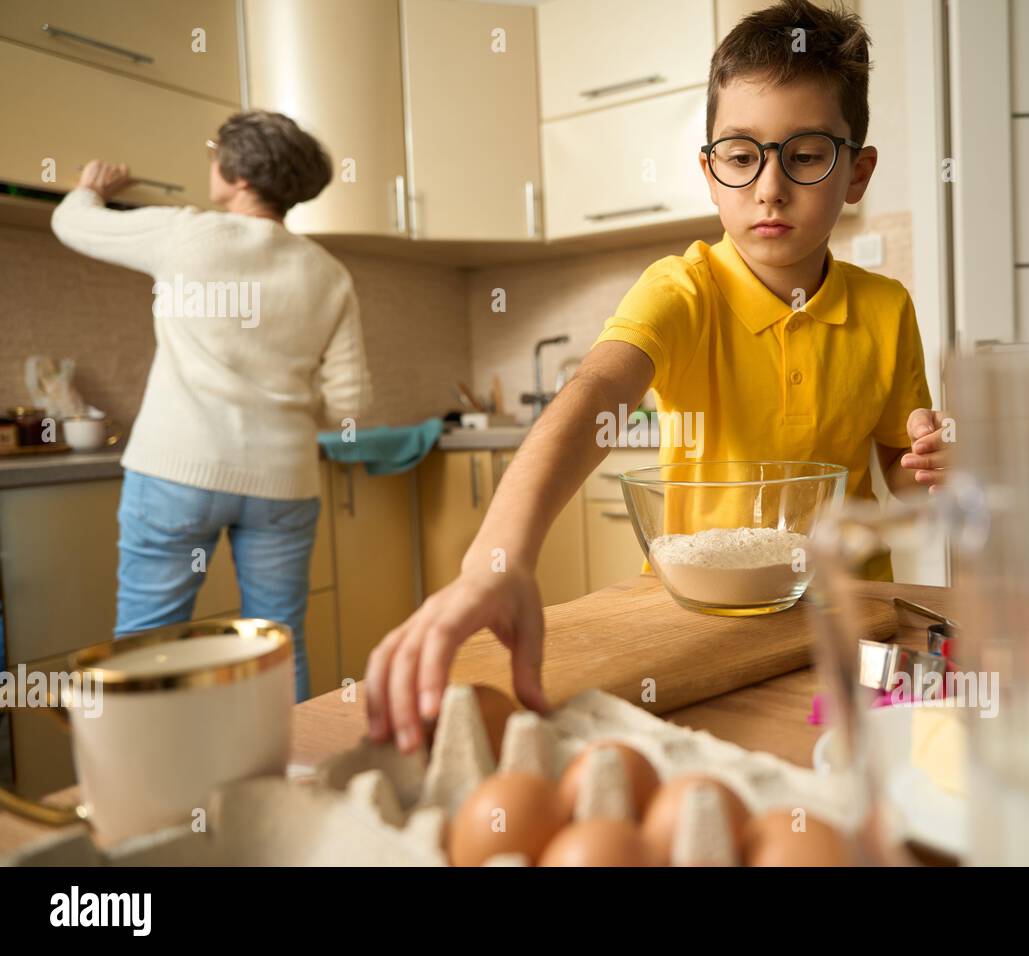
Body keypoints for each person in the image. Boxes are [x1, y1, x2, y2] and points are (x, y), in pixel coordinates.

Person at [367, 0, 948, 750]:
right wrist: (496, 559)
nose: (770, 187)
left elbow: (900, 472)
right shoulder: (682, 290)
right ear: (710, 173)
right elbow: (597, 393)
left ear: (858, 171)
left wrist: (933, 465)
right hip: (692, 612)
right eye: (742, 156)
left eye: (805, 155)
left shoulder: (886, 307)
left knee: (840, 770)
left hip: (843, 607)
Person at [51, 110, 372, 702]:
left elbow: (73, 225)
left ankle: (147, 792)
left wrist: (90, 190)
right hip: (282, 482)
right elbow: (352, 400)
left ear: (239, 174)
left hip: (177, 470)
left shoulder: (187, 233)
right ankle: (285, 785)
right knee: (278, 644)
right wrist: (285, 399)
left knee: (148, 644)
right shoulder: (329, 274)